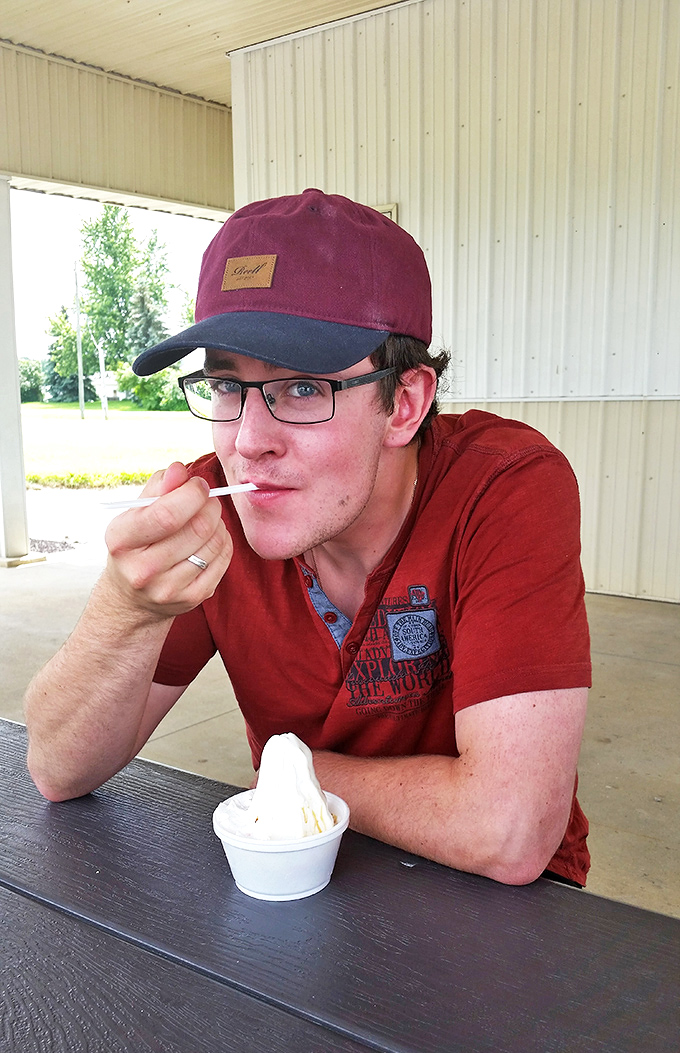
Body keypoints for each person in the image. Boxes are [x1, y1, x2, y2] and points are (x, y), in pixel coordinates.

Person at [24, 189, 591, 886]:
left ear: (404, 404)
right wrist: (125, 609)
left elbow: (510, 829)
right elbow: (57, 768)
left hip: (510, 917)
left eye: (300, 389)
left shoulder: (503, 489)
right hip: (296, 880)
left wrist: (294, 771)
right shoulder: (212, 518)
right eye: (227, 386)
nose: (249, 444)